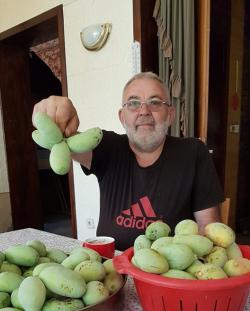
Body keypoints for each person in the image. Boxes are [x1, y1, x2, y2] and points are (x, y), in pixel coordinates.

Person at [33, 71, 224, 251]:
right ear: (122, 117)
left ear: (171, 115)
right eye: (133, 103)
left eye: (155, 102)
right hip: (111, 270)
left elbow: (210, 232)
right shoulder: (107, 146)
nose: (144, 111)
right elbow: (64, 141)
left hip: (169, 276)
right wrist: (53, 114)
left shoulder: (193, 152)